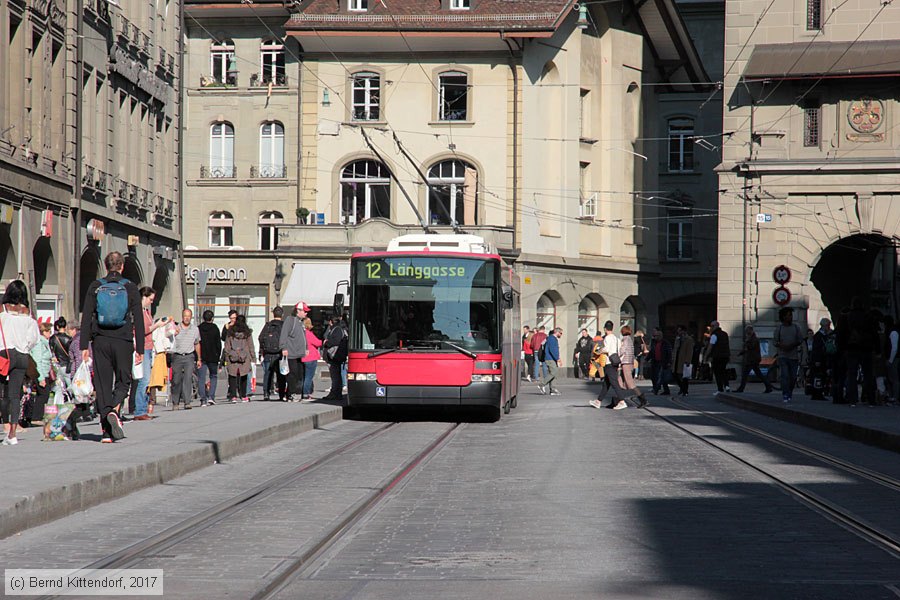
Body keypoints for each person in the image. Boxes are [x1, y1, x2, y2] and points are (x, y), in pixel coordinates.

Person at [80, 251, 144, 443]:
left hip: (100, 340)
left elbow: (86, 316)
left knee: (102, 385)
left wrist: (84, 344)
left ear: (106, 266)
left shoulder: (96, 286)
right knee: (124, 380)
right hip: (123, 341)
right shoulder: (130, 287)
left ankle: (106, 432)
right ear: (122, 266)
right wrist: (140, 348)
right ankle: (114, 409)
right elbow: (138, 319)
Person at [0, 281, 39, 445]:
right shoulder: (28, 314)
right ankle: (13, 434)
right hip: (22, 355)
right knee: (15, 395)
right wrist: (24, 346)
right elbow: (34, 339)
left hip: (4, 353)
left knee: (2, 393)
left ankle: (5, 424)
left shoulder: (3, 310)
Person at [133, 287, 168, 420]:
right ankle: (139, 411)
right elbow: (142, 330)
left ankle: (142, 409)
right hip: (143, 347)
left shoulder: (146, 312)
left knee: (146, 380)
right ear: (144, 297)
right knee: (144, 380)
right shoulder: (138, 312)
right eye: (150, 299)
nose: (151, 302)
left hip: (148, 347)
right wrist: (157, 325)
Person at [589, 321, 634, 410]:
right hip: (615, 362)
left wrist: (599, 351)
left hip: (609, 362)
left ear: (605, 329)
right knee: (606, 384)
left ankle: (622, 401)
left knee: (614, 383)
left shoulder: (607, 338)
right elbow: (620, 351)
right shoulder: (617, 339)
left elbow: (607, 349)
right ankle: (598, 401)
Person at [169, 309, 201, 409]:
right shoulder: (176, 328)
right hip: (177, 356)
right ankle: (175, 402)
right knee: (176, 380)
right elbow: (168, 338)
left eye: (188, 316)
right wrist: (173, 334)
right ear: (182, 317)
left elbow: (197, 344)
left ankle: (187, 402)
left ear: (191, 317)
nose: (187, 318)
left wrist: (199, 358)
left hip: (189, 356)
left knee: (188, 378)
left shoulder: (195, 329)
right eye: (185, 316)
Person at [279, 301, 309, 402]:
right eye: (304, 311)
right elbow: (284, 334)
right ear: (298, 311)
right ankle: (290, 394)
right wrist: (283, 347)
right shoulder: (290, 320)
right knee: (292, 374)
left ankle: (293, 393)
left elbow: (304, 337)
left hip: (299, 353)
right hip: (291, 353)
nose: (306, 313)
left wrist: (306, 348)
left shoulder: (301, 322)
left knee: (299, 374)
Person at [25, 321, 53, 426]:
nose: (50, 333)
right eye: (49, 331)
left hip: (44, 371)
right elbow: (37, 360)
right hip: (40, 372)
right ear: (43, 332)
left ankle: (37, 416)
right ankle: (36, 417)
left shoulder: (45, 342)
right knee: (43, 394)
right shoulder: (39, 343)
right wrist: (41, 378)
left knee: (43, 394)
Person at [773, 308, 803, 403]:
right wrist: (781, 345)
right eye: (788, 315)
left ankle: (790, 392)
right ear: (783, 317)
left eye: (791, 315)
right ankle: (785, 393)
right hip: (783, 356)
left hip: (793, 356)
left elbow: (800, 339)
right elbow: (775, 341)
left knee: (793, 377)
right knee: (785, 375)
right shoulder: (779, 328)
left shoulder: (796, 327)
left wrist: (792, 345)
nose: (790, 317)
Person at [224, 314, 254, 402]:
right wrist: (253, 358)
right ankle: (243, 395)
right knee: (244, 376)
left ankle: (233, 396)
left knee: (232, 376)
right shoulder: (247, 333)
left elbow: (227, 346)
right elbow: (251, 346)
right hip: (244, 357)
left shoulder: (230, 333)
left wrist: (226, 357)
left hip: (232, 357)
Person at [258, 307, 286, 401]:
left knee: (268, 374)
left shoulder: (268, 325)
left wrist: (261, 351)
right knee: (281, 375)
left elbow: (261, 338)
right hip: (280, 353)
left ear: (273, 314)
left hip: (268, 353)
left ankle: (266, 393)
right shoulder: (283, 325)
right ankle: (281, 394)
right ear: (282, 314)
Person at [736, 325, 773, 393]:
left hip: (752, 359)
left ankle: (741, 388)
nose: (746, 332)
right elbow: (747, 349)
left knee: (745, 374)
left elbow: (750, 347)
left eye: (747, 331)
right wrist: (741, 353)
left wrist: (746, 342)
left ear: (750, 330)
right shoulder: (751, 338)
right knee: (758, 374)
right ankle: (768, 386)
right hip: (752, 359)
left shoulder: (754, 338)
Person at [617, 324, 646, 407]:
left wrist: (617, 354)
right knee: (620, 382)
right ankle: (617, 399)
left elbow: (622, 351)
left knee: (630, 383)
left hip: (626, 363)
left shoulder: (625, 339)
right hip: (629, 362)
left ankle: (642, 399)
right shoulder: (630, 339)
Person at [322, 314, 348, 401]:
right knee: (336, 375)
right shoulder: (339, 329)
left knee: (335, 376)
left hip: (334, 356)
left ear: (331, 321)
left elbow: (336, 341)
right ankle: (336, 393)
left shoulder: (336, 329)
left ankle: (334, 393)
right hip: (335, 356)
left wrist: (326, 342)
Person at [198, 310, 221, 406]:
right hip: (213, 356)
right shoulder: (215, 328)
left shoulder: (199, 328)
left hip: (202, 356)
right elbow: (218, 343)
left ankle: (203, 399)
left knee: (201, 378)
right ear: (212, 318)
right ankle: (211, 397)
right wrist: (218, 355)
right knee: (213, 376)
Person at [301, 317, 322, 401]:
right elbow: (318, 343)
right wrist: (323, 341)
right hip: (311, 357)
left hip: (303, 357)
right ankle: (306, 393)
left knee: (304, 376)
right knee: (309, 377)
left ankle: (304, 393)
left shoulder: (301, 333)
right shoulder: (308, 333)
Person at [672, 325, 695, 397]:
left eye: (680, 330)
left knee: (684, 376)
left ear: (683, 331)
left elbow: (690, 351)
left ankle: (685, 390)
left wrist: (688, 360)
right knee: (675, 374)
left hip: (683, 360)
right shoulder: (678, 339)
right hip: (677, 359)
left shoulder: (689, 339)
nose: (678, 332)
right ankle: (682, 388)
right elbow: (675, 349)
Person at [648, 327, 672, 396]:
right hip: (655, 361)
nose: (655, 337)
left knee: (661, 376)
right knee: (654, 376)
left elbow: (669, 353)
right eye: (655, 336)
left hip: (662, 362)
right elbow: (652, 351)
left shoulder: (665, 343)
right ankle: (662, 389)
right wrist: (647, 359)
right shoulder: (654, 342)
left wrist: (669, 361)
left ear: (660, 336)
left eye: (657, 336)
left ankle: (657, 389)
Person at [538, 327, 562, 395]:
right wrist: (557, 358)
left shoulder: (552, 338)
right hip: (550, 358)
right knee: (553, 372)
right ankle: (542, 384)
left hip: (552, 358)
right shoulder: (552, 339)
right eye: (560, 333)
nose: (561, 335)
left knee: (554, 373)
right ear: (557, 332)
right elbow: (552, 350)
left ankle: (553, 389)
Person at [709, 321, 730, 393]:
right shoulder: (725, 334)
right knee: (723, 371)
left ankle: (720, 389)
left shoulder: (714, 335)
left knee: (717, 372)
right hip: (725, 356)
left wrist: (706, 356)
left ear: (716, 326)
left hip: (717, 356)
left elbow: (710, 346)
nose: (711, 328)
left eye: (712, 326)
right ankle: (727, 386)